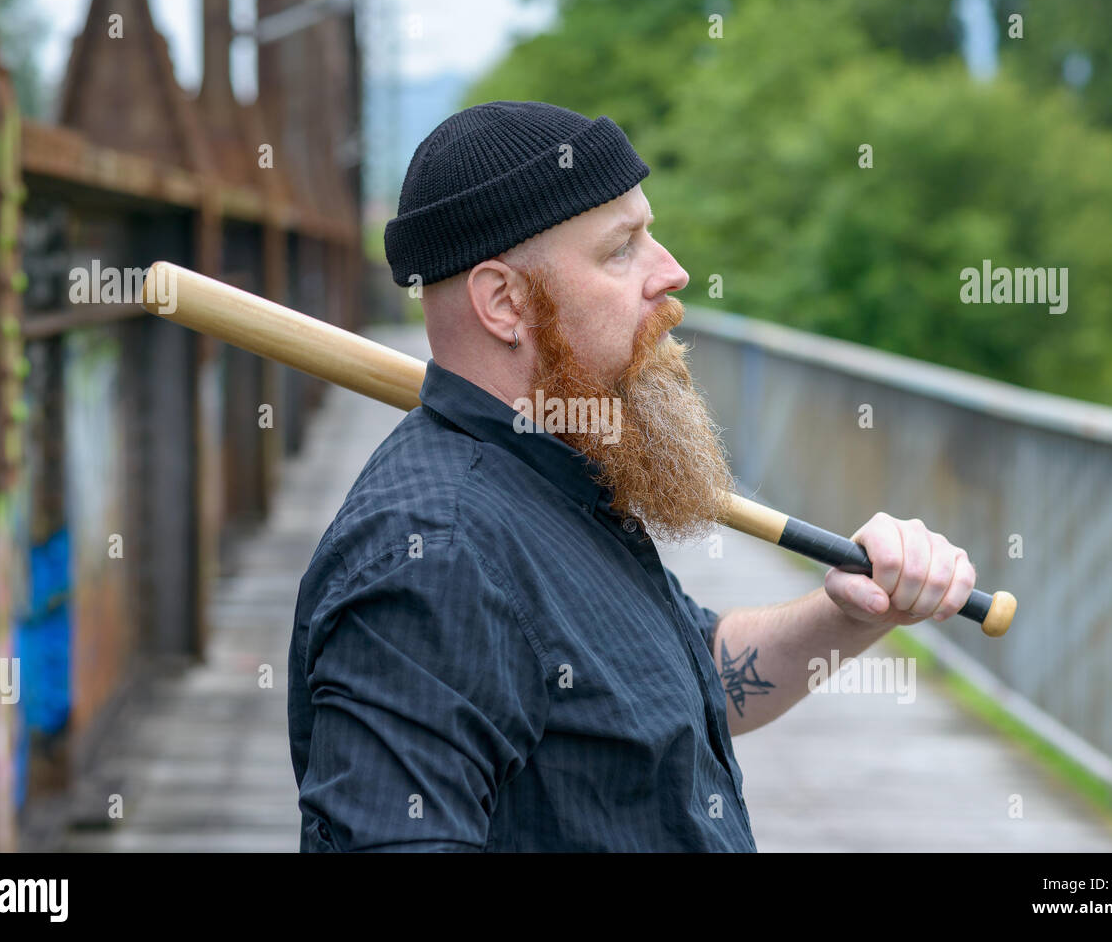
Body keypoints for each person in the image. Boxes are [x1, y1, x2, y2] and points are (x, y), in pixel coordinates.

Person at [287, 100, 977, 851]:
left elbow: (692, 673)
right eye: (622, 249)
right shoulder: (434, 561)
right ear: (504, 302)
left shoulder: (556, 472)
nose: (672, 272)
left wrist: (851, 612)